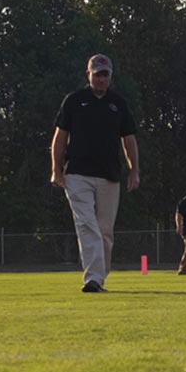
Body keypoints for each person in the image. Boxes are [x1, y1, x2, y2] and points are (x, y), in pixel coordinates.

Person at [51, 53, 140, 294]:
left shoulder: (118, 104)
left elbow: (129, 139)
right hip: (77, 174)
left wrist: (134, 170)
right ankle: (92, 279)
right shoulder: (74, 101)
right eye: (97, 74)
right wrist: (56, 169)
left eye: (105, 75)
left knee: (105, 231)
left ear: (110, 76)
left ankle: (100, 276)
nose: (101, 79)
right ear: (88, 74)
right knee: (87, 225)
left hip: (109, 175)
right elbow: (60, 138)